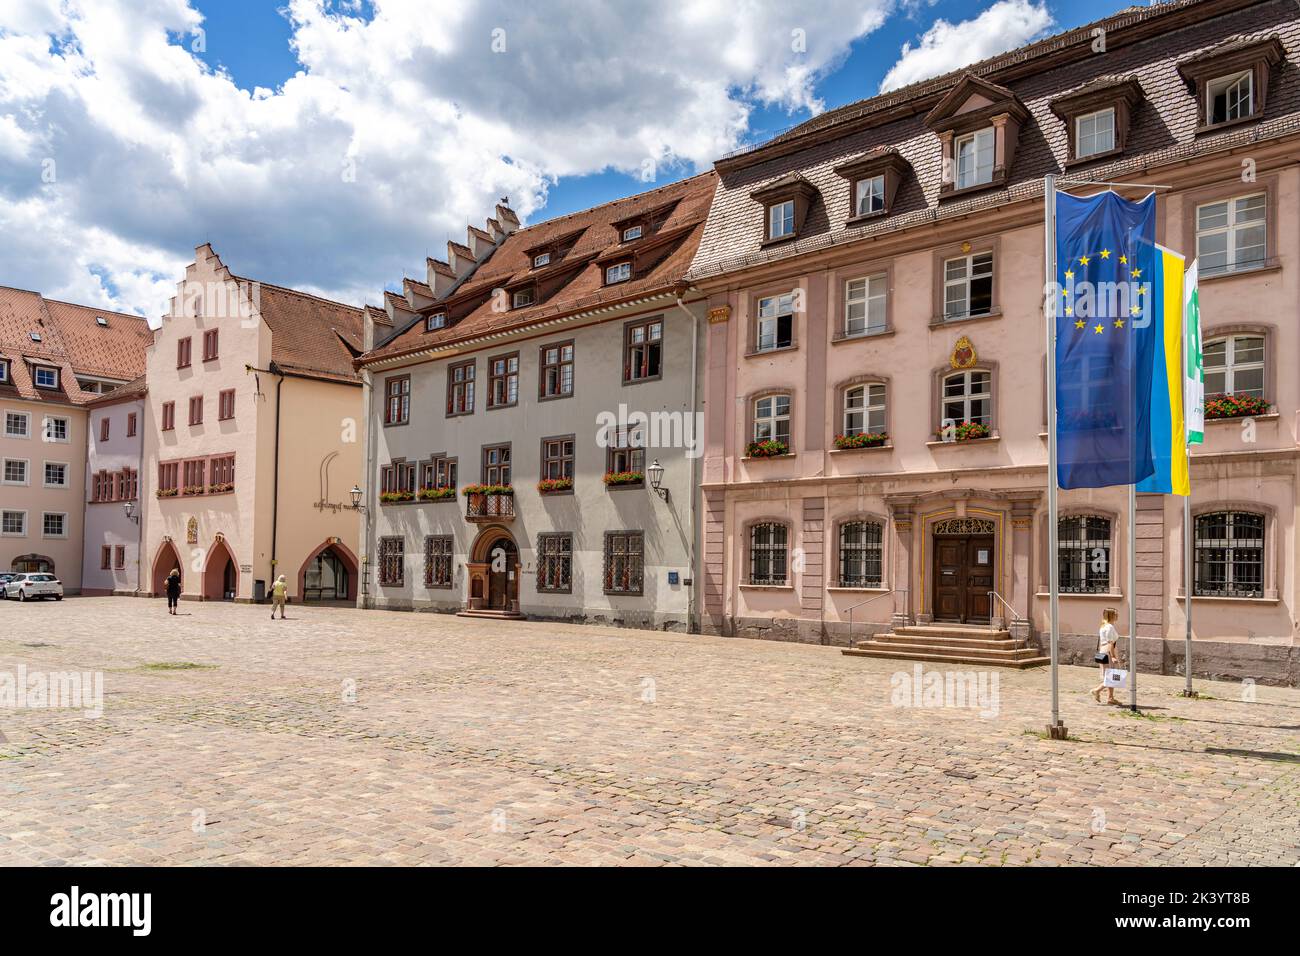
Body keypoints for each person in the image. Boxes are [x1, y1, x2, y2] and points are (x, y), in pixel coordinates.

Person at [1091, 607, 1122, 704]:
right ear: (1111, 615)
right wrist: (1113, 656)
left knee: (1110, 674)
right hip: (1109, 651)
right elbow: (1110, 643)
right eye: (1116, 614)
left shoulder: (1104, 626)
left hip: (1104, 650)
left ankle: (1110, 698)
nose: (1117, 615)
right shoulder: (1109, 627)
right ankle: (1097, 690)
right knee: (1112, 675)